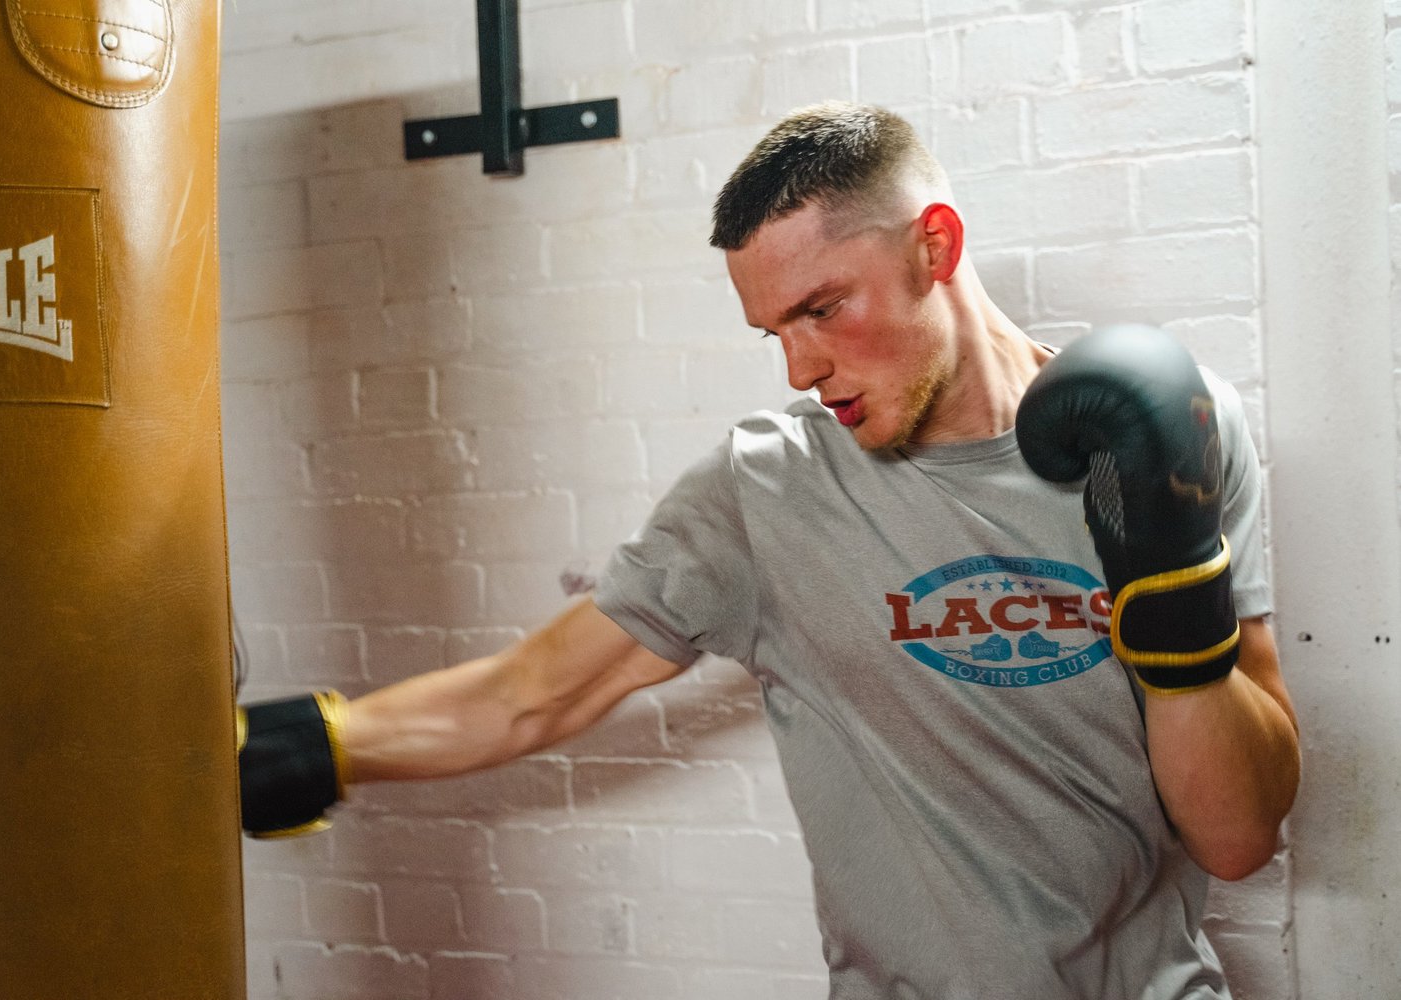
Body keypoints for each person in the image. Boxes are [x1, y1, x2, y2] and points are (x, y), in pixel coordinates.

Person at [237, 102, 1300, 999]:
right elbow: (533, 694)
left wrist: (1172, 586)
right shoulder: (768, 490)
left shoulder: (1168, 434)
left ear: (934, 246)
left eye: (823, 310)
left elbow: (1240, 836)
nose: (801, 369)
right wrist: (305, 748)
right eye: (775, 332)